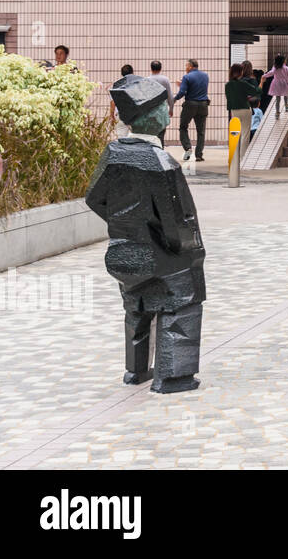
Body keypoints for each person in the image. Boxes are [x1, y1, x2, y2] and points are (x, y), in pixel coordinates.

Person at [85, 75, 206, 394]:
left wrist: (125, 226)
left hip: (123, 253)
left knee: (137, 306)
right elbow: (178, 221)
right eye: (165, 109)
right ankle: (173, 375)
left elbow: (94, 197)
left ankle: (136, 370)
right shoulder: (161, 163)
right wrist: (191, 251)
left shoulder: (113, 153)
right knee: (182, 299)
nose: (168, 113)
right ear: (155, 117)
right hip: (160, 257)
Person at [173, 59, 210, 163]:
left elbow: (182, 92)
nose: (185, 68)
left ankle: (188, 148)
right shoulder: (205, 75)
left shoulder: (187, 77)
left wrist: (175, 99)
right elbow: (197, 88)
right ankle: (199, 155)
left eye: (186, 66)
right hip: (203, 104)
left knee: (183, 127)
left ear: (190, 66)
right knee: (201, 131)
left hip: (190, 104)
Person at [224, 63, 259, 164]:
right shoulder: (243, 83)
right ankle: (242, 158)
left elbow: (229, 99)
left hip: (234, 110)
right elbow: (256, 91)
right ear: (240, 72)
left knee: (235, 134)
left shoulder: (228, 85)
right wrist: (261, 83)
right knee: (245, 133)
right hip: (245, 109)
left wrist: (231, 111)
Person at [148, 61, 175, 147]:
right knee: (161, 134)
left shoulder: (147, 80)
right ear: (160, 68)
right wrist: (171, 108)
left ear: (151, 68)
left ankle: (152, 155)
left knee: (151, 134)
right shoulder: (165, 79)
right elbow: (169, 95)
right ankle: (160, 152)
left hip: (150, 110)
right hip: (162, 110)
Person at [108, 65, 137, 137]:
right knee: (137, 139)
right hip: (135, 115)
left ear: (122, 74)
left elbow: (113, 102)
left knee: (121, 139)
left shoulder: (117, 84)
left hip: (121, 115)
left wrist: (112, 116)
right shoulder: (137, 83)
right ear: (133, 72)